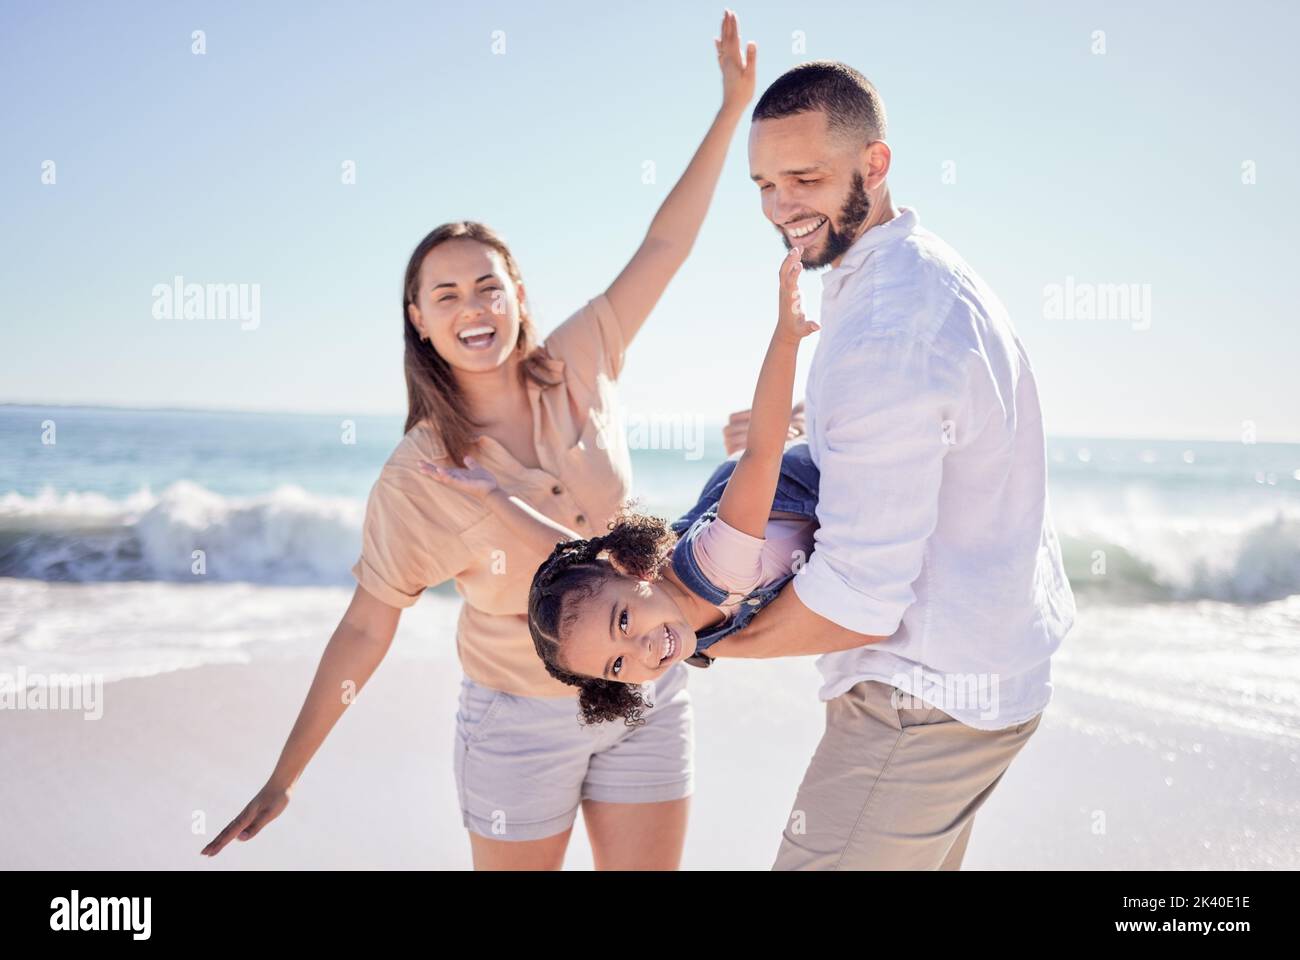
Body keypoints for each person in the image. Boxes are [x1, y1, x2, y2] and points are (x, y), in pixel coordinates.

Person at [200, 10, 765, 871]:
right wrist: (286, 775)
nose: (473, 307)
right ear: (419, 321)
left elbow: (665, 244)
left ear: (516, 295)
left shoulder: (580, 358)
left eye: (487, 286)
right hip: (517, 722)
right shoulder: (418, 473)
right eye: (448, 294)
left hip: (646, 688)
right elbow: (365, 629)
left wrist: (730, 109)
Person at [708, 60, 1077, 870]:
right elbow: (942, 419)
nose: (780, 208)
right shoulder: (920, 269)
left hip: (922, 699)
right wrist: (811, 426)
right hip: (985, 673)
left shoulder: (888, 326)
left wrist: (698, 640)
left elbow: (855, 604)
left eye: (804, 178)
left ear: (874, 165)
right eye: (764, 184)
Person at [423, 246, 818, 724]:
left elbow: (763, 452)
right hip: (738, 501)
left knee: (784, 440)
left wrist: (787, 337)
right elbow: (568, 546)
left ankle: (798, 423)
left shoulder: (718, 568)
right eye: (617, 666)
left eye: (624, 622)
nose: (642, 651)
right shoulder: (657, 610)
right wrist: (492, 494)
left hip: (787, 482)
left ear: (635, 572)